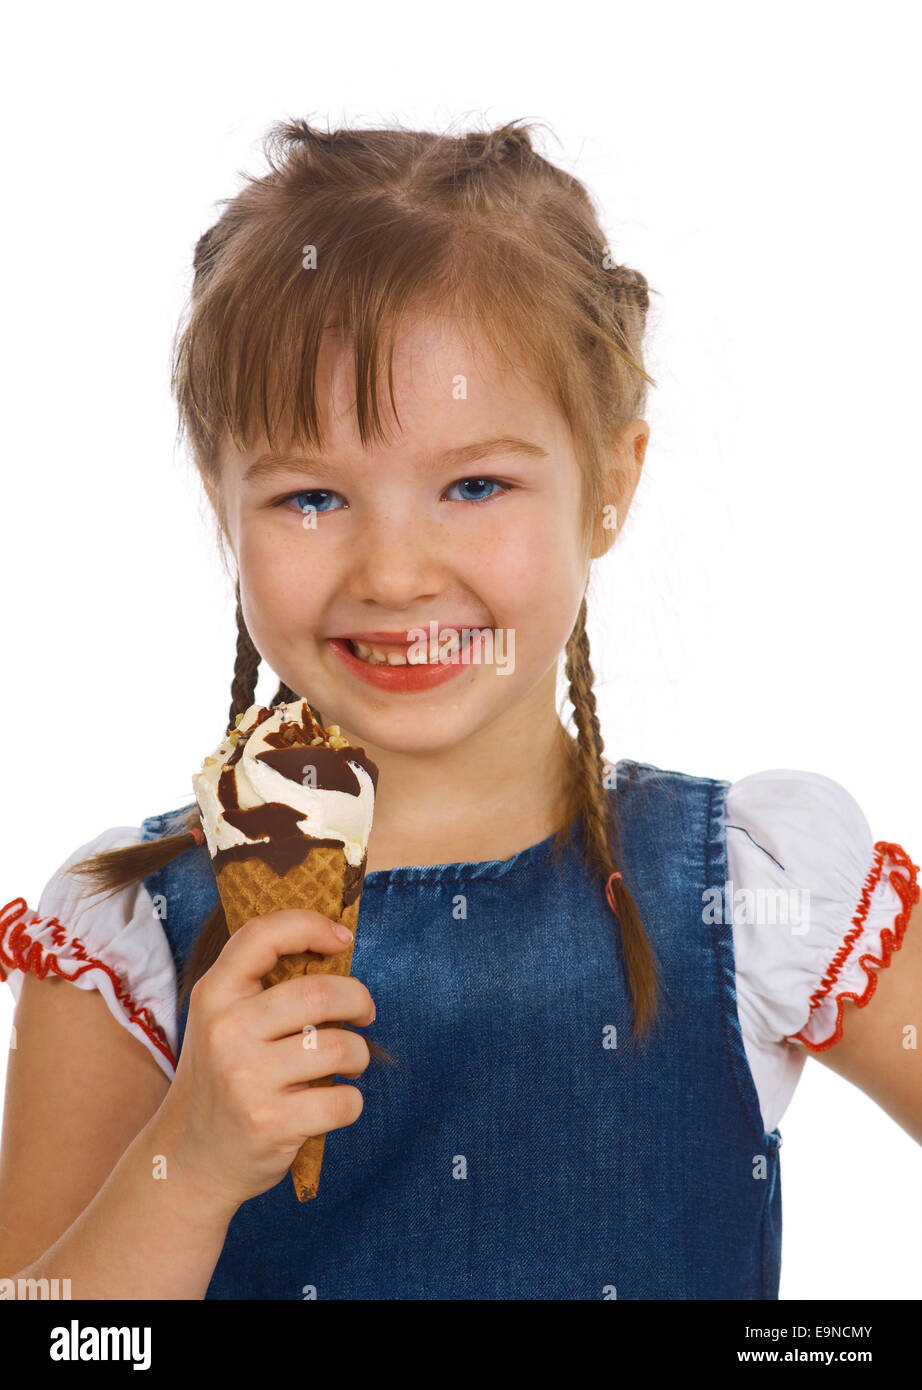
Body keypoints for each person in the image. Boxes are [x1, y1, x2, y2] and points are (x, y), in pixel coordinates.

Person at [0, 117, 919, 1301]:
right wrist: (189, 1163)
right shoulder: (131, 936)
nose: (394, 571)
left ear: (611, 485)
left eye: (475, 484)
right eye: (312, 494)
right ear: (219, 500)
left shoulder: (749, 894)